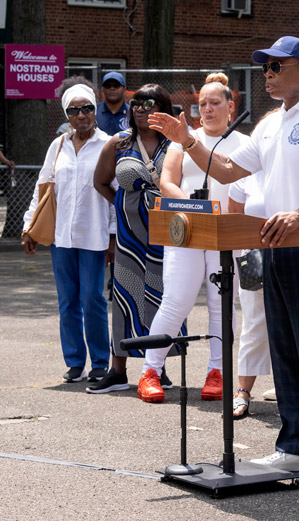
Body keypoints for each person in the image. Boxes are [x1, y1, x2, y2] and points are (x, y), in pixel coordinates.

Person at [148, 36, 299, 487]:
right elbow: (225, 170)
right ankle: (293, 445)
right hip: (272, 241)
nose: (267, 74)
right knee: (284, 348)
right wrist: (187, 140)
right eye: (264, 67)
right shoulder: (271, 123)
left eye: (276, 66)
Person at [136, 73, 246, 403]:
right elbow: (167, 181)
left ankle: (218, 372)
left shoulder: (244, 143)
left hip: (227, 232)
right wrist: (188, 202)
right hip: (186, 229)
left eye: (215, 103)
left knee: (221, 302)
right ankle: (149, 371)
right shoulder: (181, 141)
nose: (208, 109)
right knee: (177, 300)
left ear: (231, 105)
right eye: (203, 104)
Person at [21, 79, 115, 383]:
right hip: (62, 236)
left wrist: (114, 236)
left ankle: (100, 361)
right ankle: (75, 361)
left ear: (95, 109)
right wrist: (29, 227)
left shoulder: (109, 143)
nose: (82, 115)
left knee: (92, 298)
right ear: (67, 115)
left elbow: (116, 193)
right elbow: (42, 189)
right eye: (74, 110)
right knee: (68, 301)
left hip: (95, 235)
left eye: (87, 108)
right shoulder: (57, 145)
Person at [88, 84, 179, 394]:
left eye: (148, 103)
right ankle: (117, 371)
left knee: (162, 297)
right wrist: (124, 205)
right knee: (126, 296)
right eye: (136, 102)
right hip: (128, 236)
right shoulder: (119, 143)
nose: (140, 108)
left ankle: (158, 369)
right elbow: (100, 182)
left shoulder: (176, 145)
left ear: (163, 107)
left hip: (168, 233)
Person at [228, 170, 271, 419]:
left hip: (296, 252)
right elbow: (235, 219)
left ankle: (292, 389)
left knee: (294, 326)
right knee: (253, 325)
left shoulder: (295, 163)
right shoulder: (246, 176)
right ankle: (243, 392)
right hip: (255, 257)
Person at [96, 72, 130, 136]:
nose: (112, 88)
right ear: (103, 90)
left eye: (116, 85)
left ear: (124, 89)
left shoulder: (132, 113)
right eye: (108, 86)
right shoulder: (94, 112)